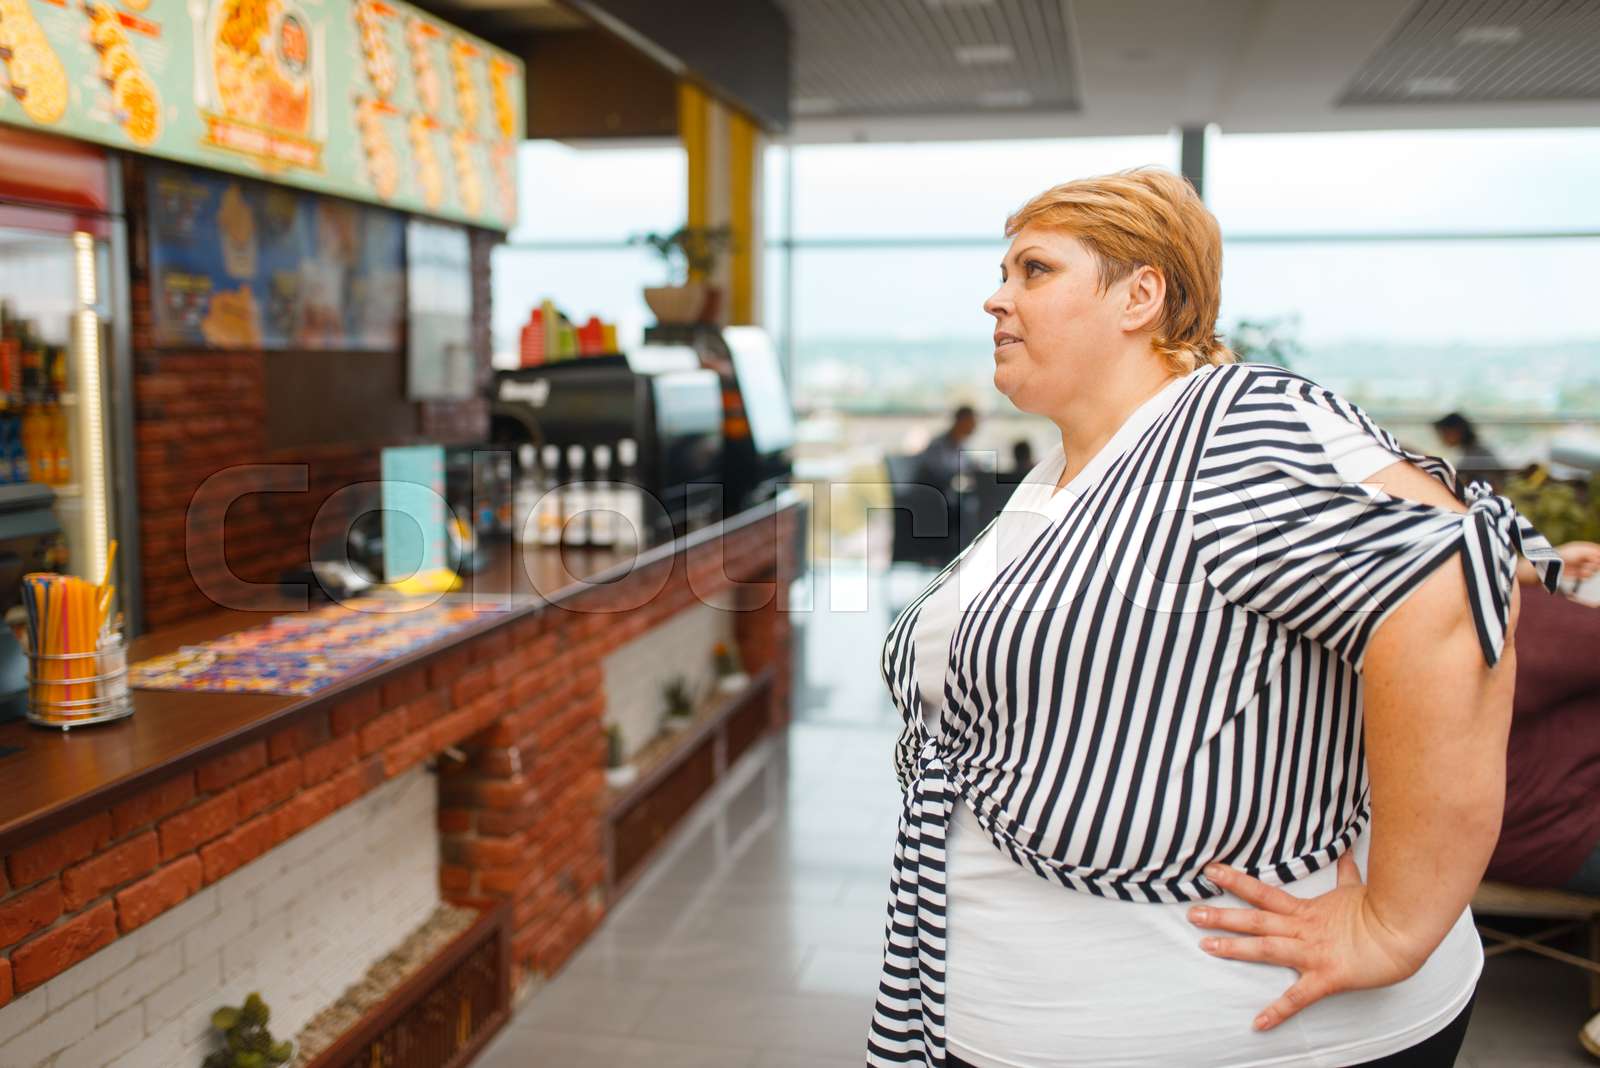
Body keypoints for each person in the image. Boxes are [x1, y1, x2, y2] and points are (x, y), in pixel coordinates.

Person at [868, 168, 1565, 1068]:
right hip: (1036, 1002)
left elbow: (1447, 581)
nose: (996, 299)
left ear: (1141, 295)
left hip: (1228, 1028)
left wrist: (1398, 922)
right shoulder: (1071, 471)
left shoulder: (1233, 426)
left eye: (1034, 271)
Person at [914, 404, 978, 497]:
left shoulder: (961, 446)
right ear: (960, 421)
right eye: (971, 421)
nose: (974, 426)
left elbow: (968, 467)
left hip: (948, 493)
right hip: (933, 495)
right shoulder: (938, 446)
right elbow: (939, 475)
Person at [1433, 411, 1503, 481]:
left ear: (1457, 431)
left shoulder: (1475, 456)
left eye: (1444, 432)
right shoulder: (1475, 451)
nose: (1442, 437)